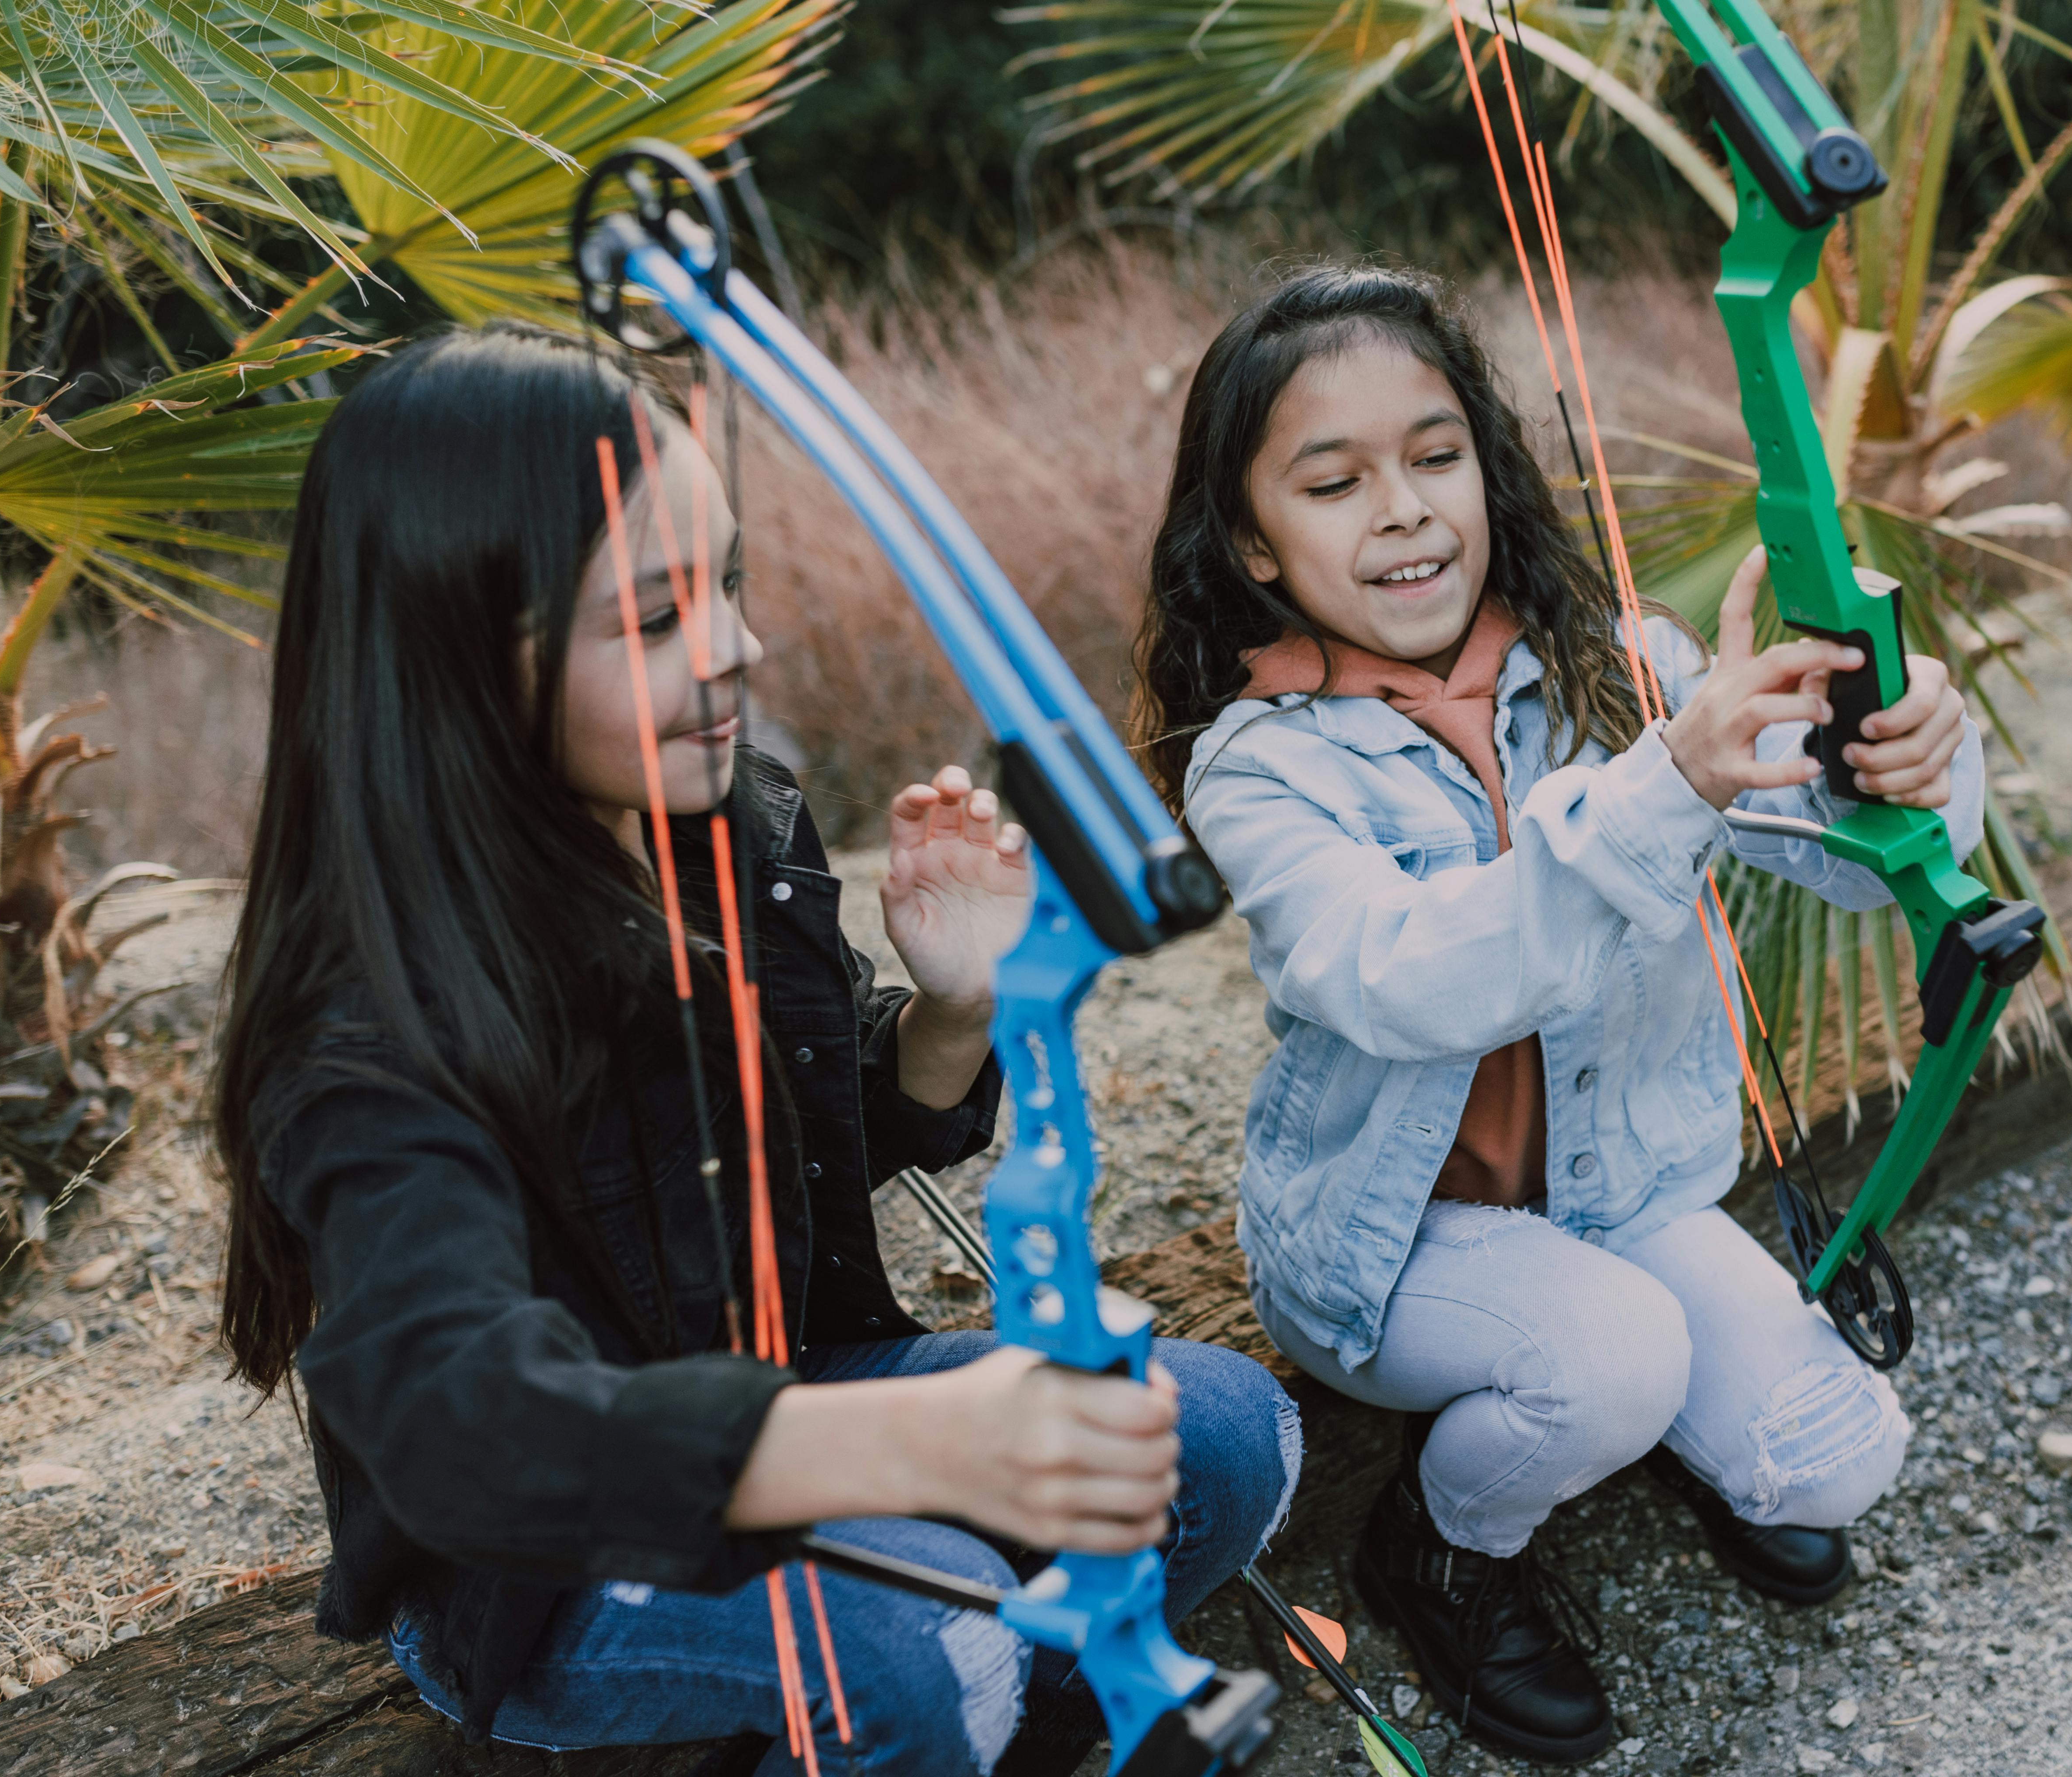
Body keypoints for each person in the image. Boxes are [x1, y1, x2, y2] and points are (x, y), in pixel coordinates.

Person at [213, 323, 1299, 1777]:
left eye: (723, 583)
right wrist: (912, 1450)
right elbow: (462, 1429)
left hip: (795, 1385)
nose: (737, 649)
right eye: (652, 620)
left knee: (1223, 1436)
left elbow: (816, 1121)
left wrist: (952, 1012)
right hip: (542, 1575)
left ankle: (1011, 1721)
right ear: (462, 663)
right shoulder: (363, 1022)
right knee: (928, 1640)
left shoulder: (732, 823)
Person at [1135, 265, 1982, 1764]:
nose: (1400, 509)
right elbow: (1401, 970)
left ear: (1487, 465)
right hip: (1392, 1252)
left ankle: (1641, 1414)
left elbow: (1851, 871)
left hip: (1620, 1197)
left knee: (1838, 1459)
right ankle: (1441, 1548)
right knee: (1609, 1360)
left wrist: (1898, 763)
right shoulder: (1257, 765)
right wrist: (1670, 781)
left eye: (1435, 455)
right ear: (1255, 541)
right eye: (1332, 482)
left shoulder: (1624, 664)